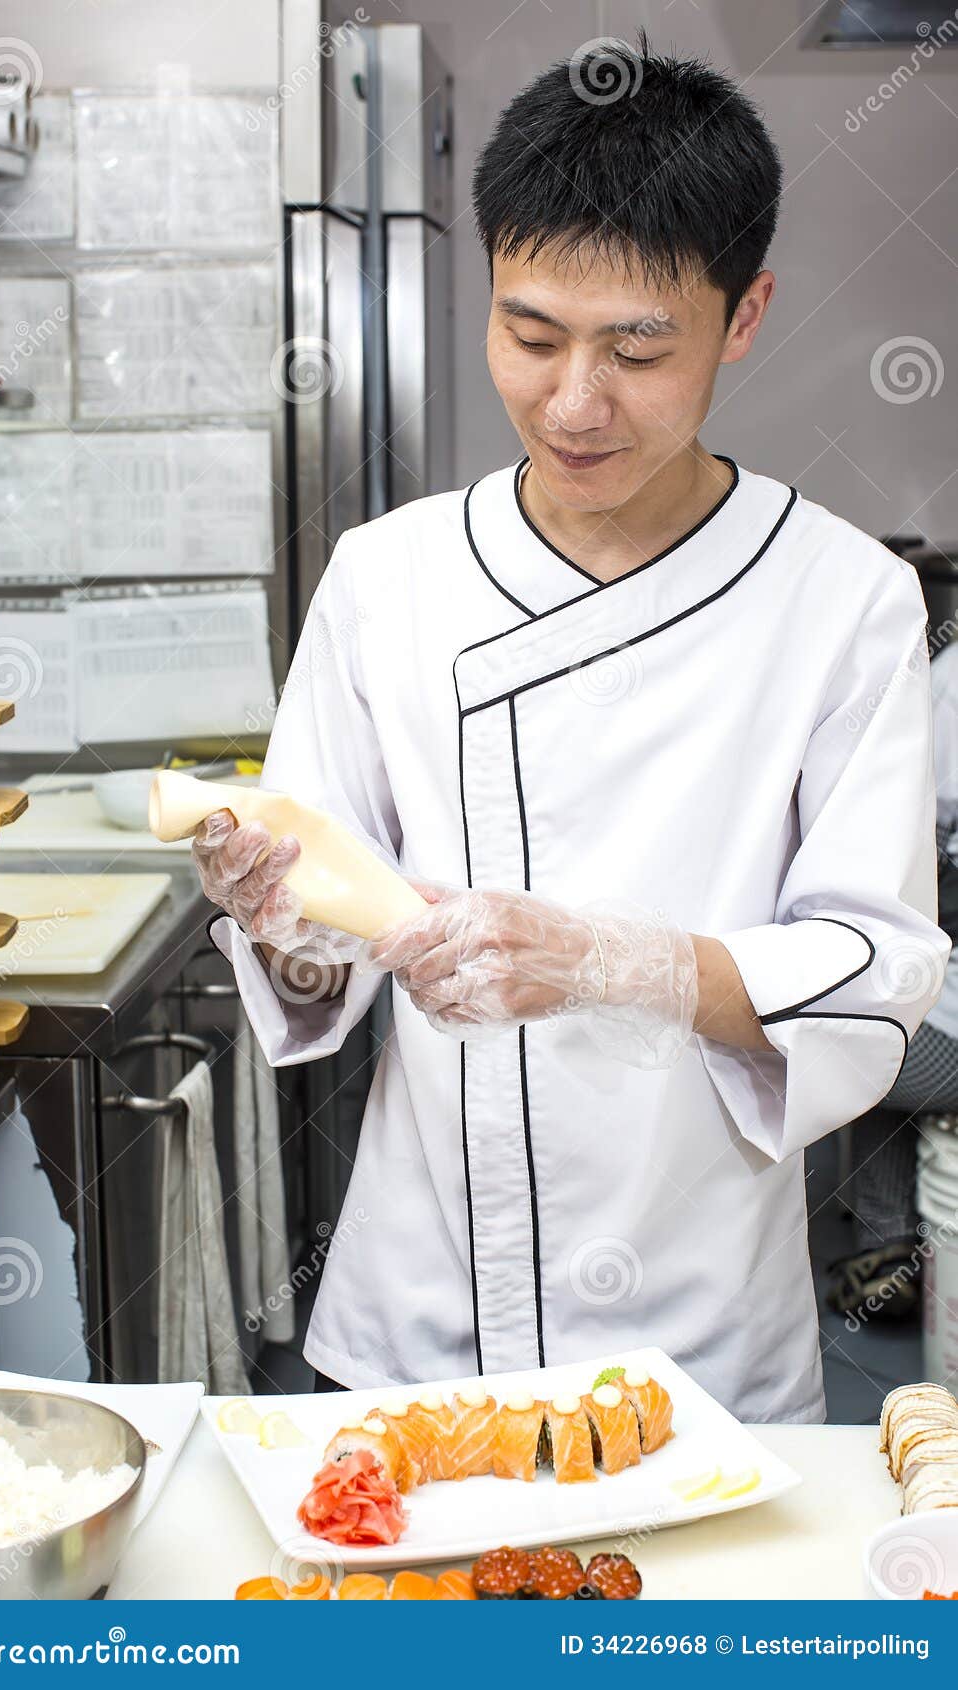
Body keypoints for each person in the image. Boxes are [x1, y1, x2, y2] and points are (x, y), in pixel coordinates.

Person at [195, 38, 948, 1422]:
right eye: (529, 337)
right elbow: (321, 938)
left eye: (636, 349)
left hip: (700, 1338)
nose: (572, 402)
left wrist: (623, 963)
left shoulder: (841, 600)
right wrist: (273, 912)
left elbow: (872, 970)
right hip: (413, 1319)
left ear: (744, 314)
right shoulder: (385, 575)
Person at [829, 635, 958, 1321]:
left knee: (861, 1048)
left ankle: (887, 1256)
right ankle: (892, 1254)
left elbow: (914, 845)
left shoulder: (946, 678)